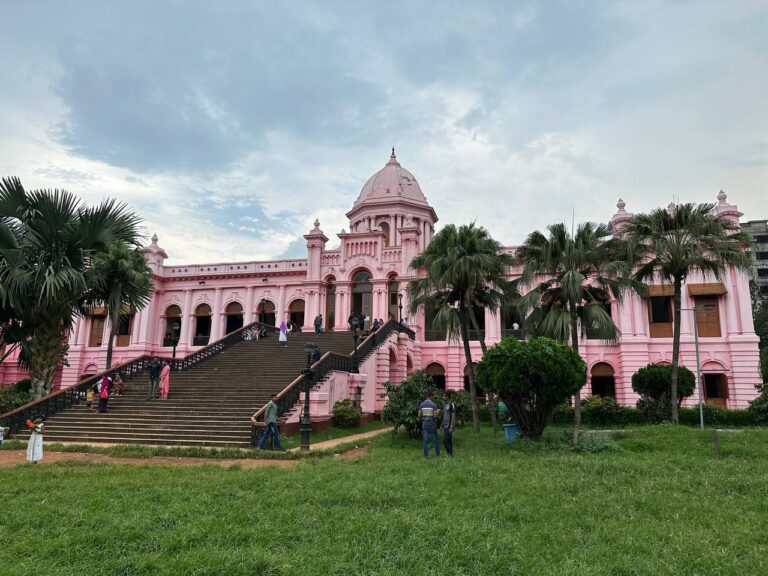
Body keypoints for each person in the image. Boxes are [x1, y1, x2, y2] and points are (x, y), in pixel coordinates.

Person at [419, 392, 440, 458]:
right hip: (432, 424)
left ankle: (425, 456)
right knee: (435, 440)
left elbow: (419, 415)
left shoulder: (421, 404)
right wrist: (438, 412)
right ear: (430, 396)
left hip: (425, 425)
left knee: (425, 441)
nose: (433, 398)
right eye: (433, 396)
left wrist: (424, 417)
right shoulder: (433, 405)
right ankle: (437, 455)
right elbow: (435, 416)